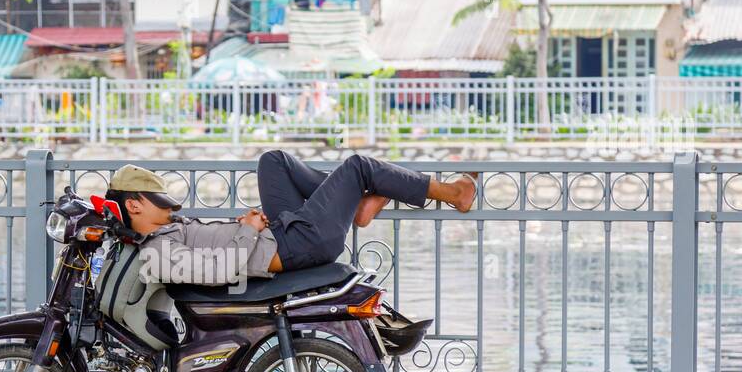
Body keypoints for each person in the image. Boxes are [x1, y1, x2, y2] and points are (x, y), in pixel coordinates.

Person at [105, 151, 476, 287]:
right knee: (358, 166)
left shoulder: (168, 231)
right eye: (158, 201)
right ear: (135, 206)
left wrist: (241, 227)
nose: (169, 207)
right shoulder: (157, 252)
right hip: (298, 246)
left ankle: (359, 202)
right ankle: (452, 194)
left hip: (281, 233)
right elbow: (220, 272)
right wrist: (247, 233)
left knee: (273, 161)